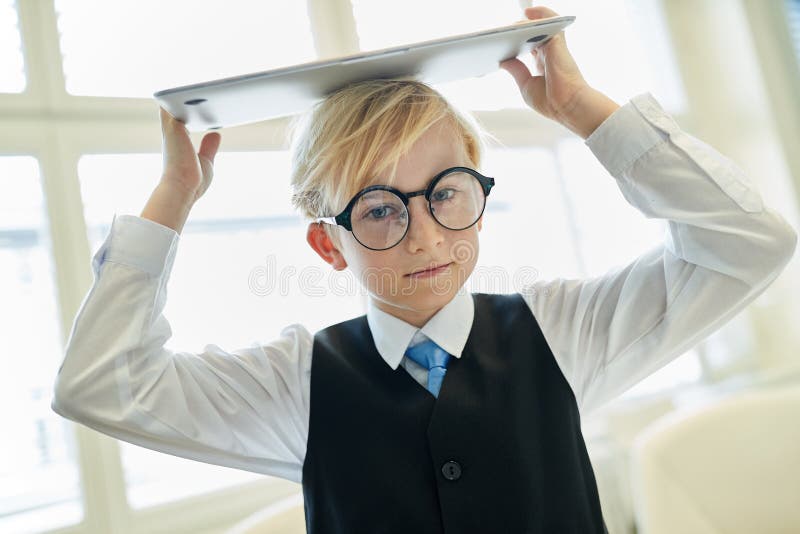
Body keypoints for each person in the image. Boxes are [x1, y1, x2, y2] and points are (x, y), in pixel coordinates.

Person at [51, 6, 797, 534]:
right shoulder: (295, 384)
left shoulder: (563, 332)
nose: (426, 237)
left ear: (478, 199)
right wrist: (172, 199)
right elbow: (100, 385)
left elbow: (747, 242)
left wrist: (581, 109)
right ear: (328, 246)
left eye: (445, 193)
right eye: (380, 209)